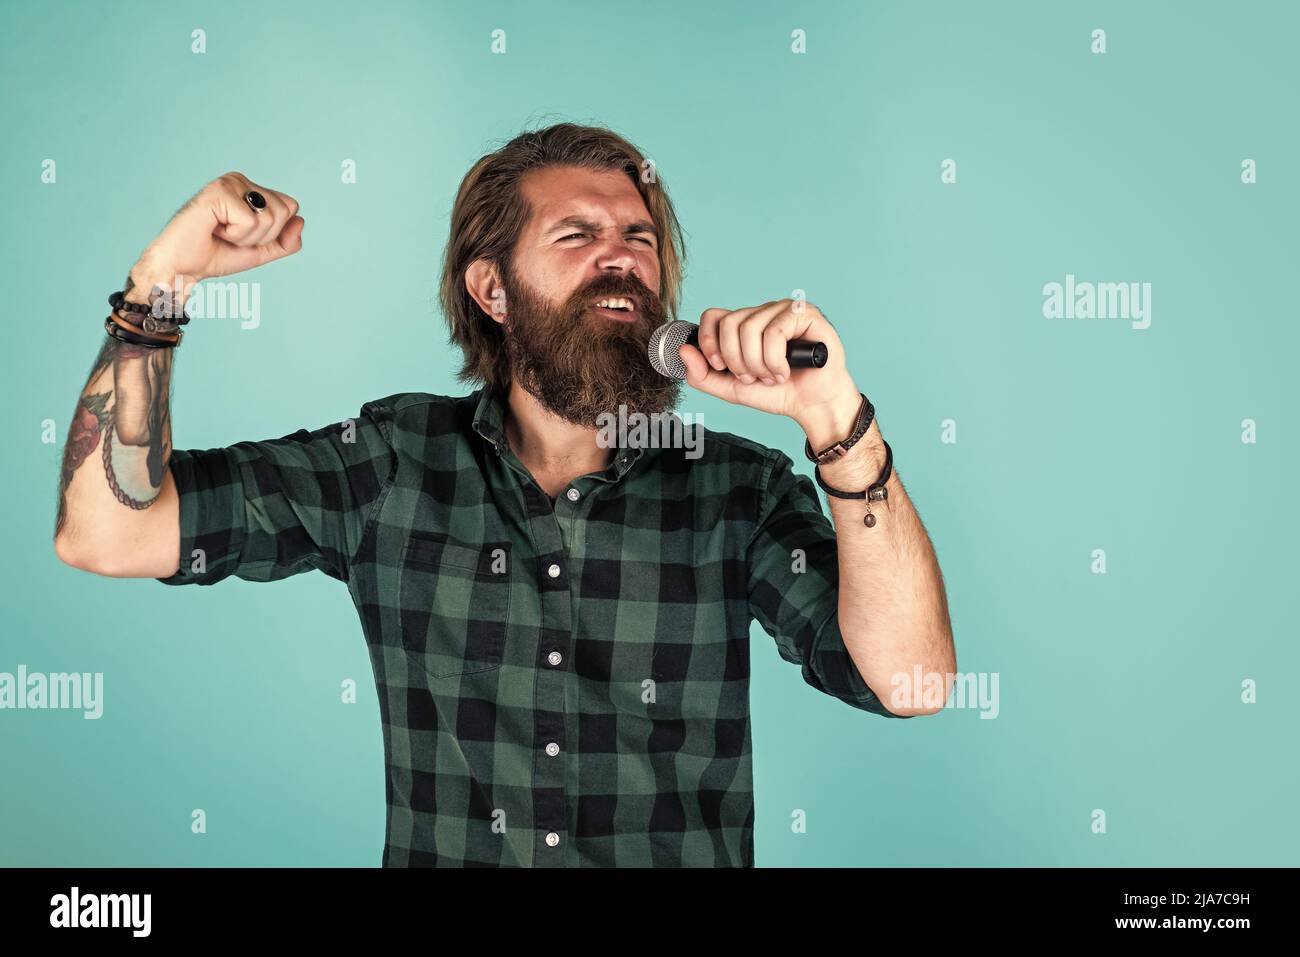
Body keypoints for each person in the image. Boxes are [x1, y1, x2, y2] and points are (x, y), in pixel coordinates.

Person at [53, 122, 956, 867]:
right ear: (492, 288)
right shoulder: (393, 461)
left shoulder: (736, 489)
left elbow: (911, 681)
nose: (621, 261)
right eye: (578, 237)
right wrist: (160, 284)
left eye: (638, 240)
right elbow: (106, 531)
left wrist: (838, 419)